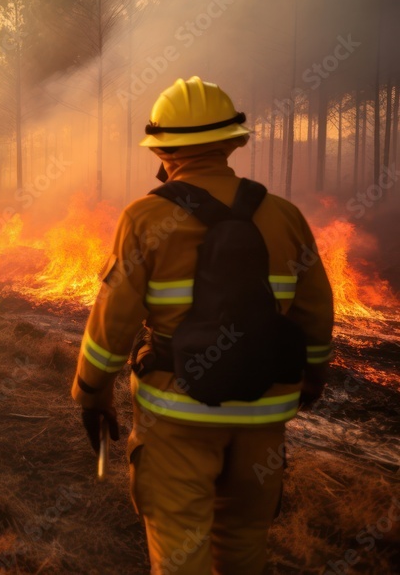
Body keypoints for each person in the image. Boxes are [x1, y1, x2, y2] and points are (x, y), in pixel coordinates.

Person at [72, 76, 334, 574]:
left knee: (181, 552)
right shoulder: (285, 217)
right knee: (243, 546)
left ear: (162, 151)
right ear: (233, 143)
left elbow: (113, 324)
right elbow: (316, 314)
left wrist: (91, 392)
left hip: (177, 419)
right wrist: (312, 380)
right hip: (264, 418)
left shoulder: (145, 219)